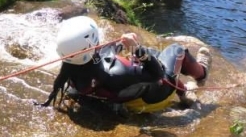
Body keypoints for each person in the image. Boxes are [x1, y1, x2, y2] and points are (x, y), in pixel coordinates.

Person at [40, 16, 212, 113]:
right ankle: (201, 74)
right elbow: (157, 74)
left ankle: (183, 91)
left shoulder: (70, 68)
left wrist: (122, 43)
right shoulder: (118, 73)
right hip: (156, 92)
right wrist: (137, 50)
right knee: (176, 50)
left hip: (116, 92)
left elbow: (103, 51)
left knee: (152, 53)